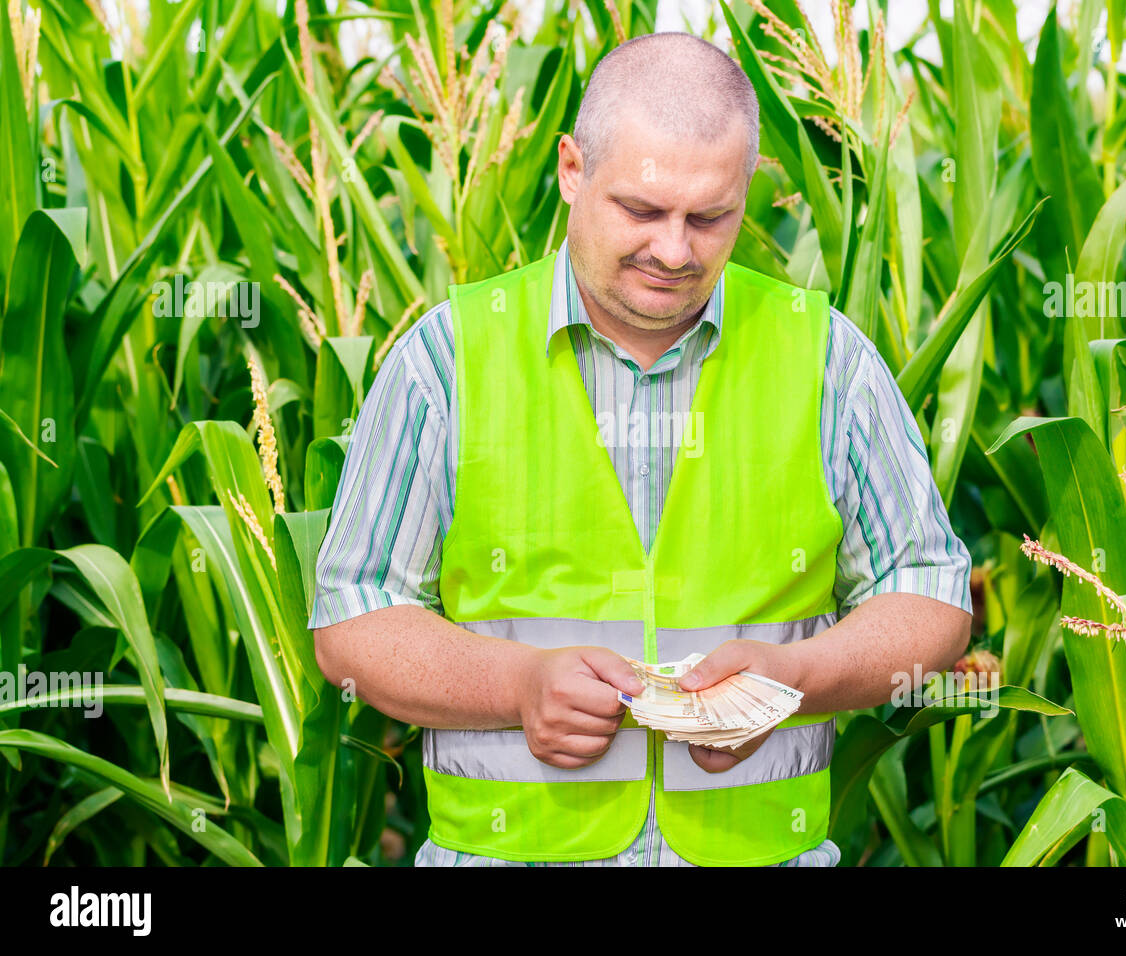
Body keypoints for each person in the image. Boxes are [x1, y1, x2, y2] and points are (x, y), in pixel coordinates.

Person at [310, 31, 972, 867]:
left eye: (710, 216)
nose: (674, 250)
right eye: (642, 210)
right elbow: (352, 617)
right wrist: (517, 688)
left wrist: (792, 679)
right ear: (570, 170)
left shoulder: (827, 359)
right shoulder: (446, 361)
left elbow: (932, 593)